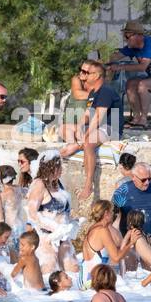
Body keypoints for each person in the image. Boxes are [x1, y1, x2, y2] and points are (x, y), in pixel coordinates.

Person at [60, 58, 120, 203]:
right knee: (64, 128)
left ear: (97, 76)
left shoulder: (106, 91)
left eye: (89, 73)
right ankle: (76, 144)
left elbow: (99, 116)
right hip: (97, 125)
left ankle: (89, 184)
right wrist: (80, 126)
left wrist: (83, 137)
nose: (85, 76)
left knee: (89, 141)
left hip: (111, 127)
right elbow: (88, 114)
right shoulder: (93, 92)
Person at [109, 21, 151, 129]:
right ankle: (136, 118)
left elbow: (142, 67)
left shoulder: (150, 44)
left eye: (127, 35)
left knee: (143, 85)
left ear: (138, 36)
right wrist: (102, 59)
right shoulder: (132, 47)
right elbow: (115, 56)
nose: (125, 38)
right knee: (130, 83)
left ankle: (144, 119)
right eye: (125, 34)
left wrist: (119, 67)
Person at [112, 162, 151, 243]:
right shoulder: (123, 191)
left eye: (149, 179)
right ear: (133, 177)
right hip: (129, 240)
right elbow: (112, 215)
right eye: (143, 180)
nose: (147, 182)